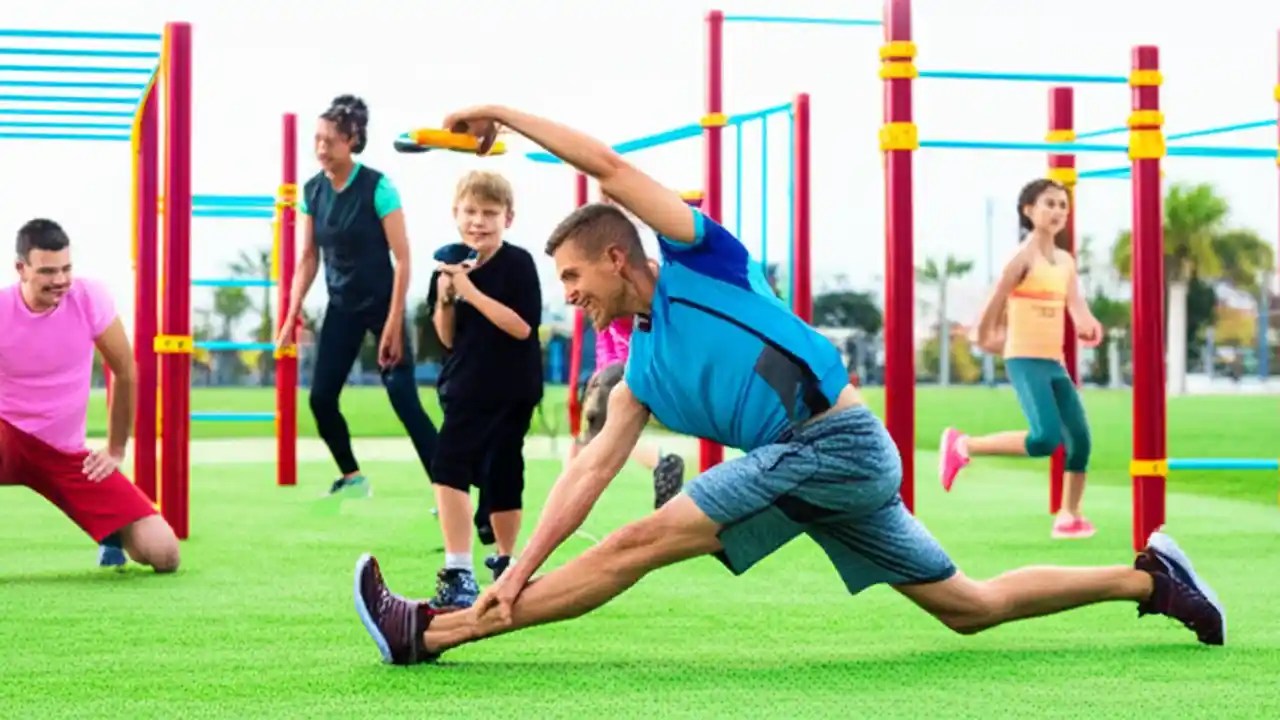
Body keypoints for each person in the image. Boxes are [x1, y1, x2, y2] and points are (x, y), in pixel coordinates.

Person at [350, 105, 1225, 666]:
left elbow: (611, 171)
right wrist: (521, 565)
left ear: (619, 257)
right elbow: (584, 474)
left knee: (642, 541)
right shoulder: (641, 369)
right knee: (969, 606)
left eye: (576, 279)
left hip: (828, 443)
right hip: (823, 465)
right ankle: (1152, 579)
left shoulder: (705, 259)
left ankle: (428, 632)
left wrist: (507, 113)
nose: (570, 298)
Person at [276, 94, 438, 498]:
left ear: (351, 140)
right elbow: (309, 256)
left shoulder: (378, 187)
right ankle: (352, 478)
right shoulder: (313, 191)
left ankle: (447, 488)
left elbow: (402, 259)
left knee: (404, 401)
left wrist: (394, 325)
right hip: (342, 309)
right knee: (321, 399)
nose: (320, 149)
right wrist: (290, 317)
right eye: (316, 139)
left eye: (329, 140)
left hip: (385, 304)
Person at [0, 219, 180, 572]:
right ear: (21, 268)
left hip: (65, 453)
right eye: (48, 271)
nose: (61, 280)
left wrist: (115, 448)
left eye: (66, 268)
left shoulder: (88, 298)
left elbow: (125, 369)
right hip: (8, 436)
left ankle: (111, 534)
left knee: (164, 554)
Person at [939, 178, 1104, 540]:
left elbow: (1076, 306)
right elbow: (995, 301)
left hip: (1053, 361)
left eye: (1063, 205)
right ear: (1029, 211)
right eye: (1049, 204)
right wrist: (982, 335)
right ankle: (964, 444)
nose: (1058, 211)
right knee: (1045, 439)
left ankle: (1069, 515)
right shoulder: (1021, 258)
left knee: (1080, 438)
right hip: (1024, 358)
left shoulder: (1065, 261)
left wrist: (1088, 325)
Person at [427, 170, 543, 610]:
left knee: (502, 470)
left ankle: (507, 562)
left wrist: (470, 291)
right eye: (470, 212)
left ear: (507, 219)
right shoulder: (447, 263)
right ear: (456, 214)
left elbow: (520, 326)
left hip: (512, 386)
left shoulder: (518, 264)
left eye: (490, 214)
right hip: (465, 385)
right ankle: (459, 569)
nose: (479, 221)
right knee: (449, 465)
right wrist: (445, 295)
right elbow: (447, 337)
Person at [573, 308, 684, 510]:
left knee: (600, 438)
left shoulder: (615, 306)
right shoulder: (605, 307)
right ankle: (661, 463)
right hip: (616, 372)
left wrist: (604, 376)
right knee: (604, 438)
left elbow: (618, 337)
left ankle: (662, 463)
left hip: (615, 375)